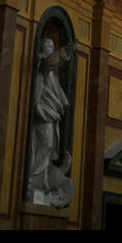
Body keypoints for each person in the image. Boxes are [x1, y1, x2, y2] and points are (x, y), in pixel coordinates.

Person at [27, 36, 77, 207]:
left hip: (52, 113)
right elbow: (52, 61)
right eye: (48, 45)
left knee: (49, 147)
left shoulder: (52, 71)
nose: (50, 48)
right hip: (44, 111)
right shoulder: (44, 64)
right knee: (47, 145)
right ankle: (32, 178)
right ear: (43, 49)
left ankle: (41, 181)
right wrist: (65, 51)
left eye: (52, 46)